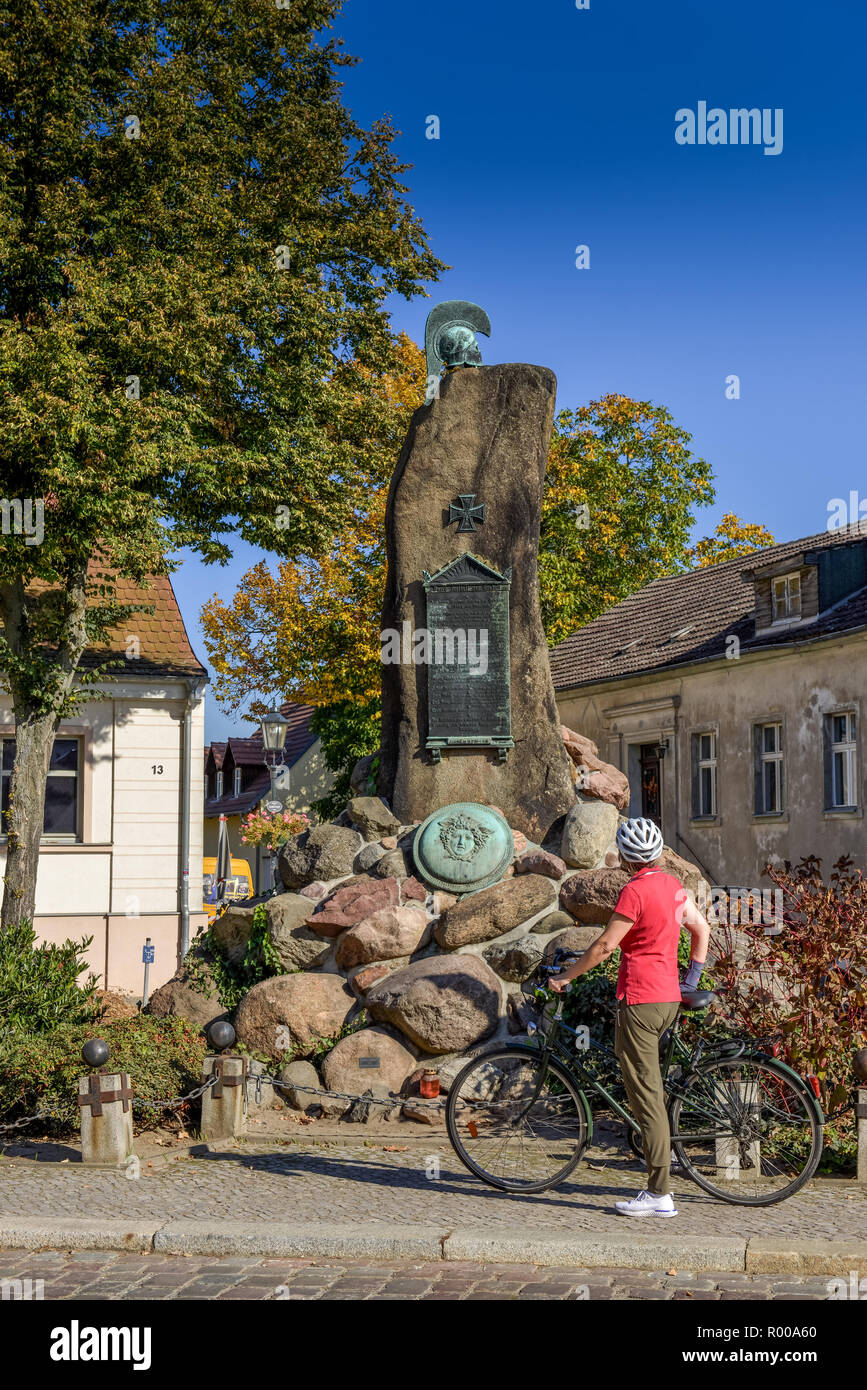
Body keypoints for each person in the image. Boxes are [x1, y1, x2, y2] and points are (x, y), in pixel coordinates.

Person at [550, 816, 710, 1217]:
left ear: (624, 857)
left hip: (640, 1000)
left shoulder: (634, 892)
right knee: (643, 1083)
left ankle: (659, 1194)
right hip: (668, 998)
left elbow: (605, 946)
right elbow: (701, 929)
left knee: (647, 1095)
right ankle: (653, 1162)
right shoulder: (673, 887)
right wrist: (690, 979)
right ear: (655, 854)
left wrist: (566, 977)